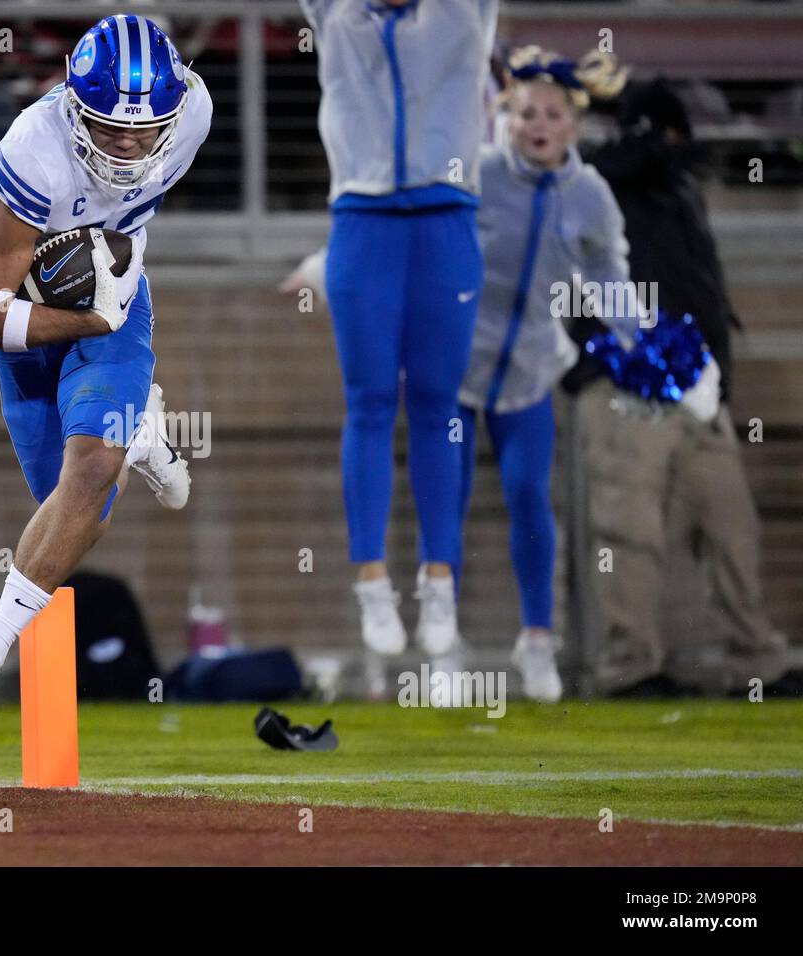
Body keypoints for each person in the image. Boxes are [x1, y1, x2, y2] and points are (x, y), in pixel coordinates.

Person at [0, 15, 211, 712]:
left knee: (92, 471)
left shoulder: (193, 112)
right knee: (83, 509)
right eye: (110, 127)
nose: (132, 143)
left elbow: (125, 230)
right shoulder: (34, 155)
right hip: (30, 320)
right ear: (75, 108)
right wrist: (89, 311)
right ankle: (137, 430)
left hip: (116, 305)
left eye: (146, 127)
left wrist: (110, 299)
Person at [299, 0, 497, 689]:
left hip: (447, 218)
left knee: (442, 405)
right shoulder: (336, 16)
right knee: (371, 400)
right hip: (362, 221)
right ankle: (372, 579)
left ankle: (440, 576)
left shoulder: (462, 12)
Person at [570, 79, 790, 695]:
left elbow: (703, 288)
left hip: (697, 390)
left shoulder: (680, 189)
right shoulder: (599, 179)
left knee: (732, 524)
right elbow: (608, 167)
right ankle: (628, 669)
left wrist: (718, 380)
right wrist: (643, 138)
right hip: (623, 388)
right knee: (629, 535)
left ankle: (757, 664)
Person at [455, 47, 631, 703]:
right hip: (456, 366)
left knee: (531, 496)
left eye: (552, 115)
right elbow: (418, 239)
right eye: (526, 112)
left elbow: (610, 276)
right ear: (506, 116)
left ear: (571, 126)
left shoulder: (589, 195)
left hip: (529, 368)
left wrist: (646, 343)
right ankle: (443, 650)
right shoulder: (476, 173)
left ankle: (537, 642)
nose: (538, 124)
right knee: (447, 501)